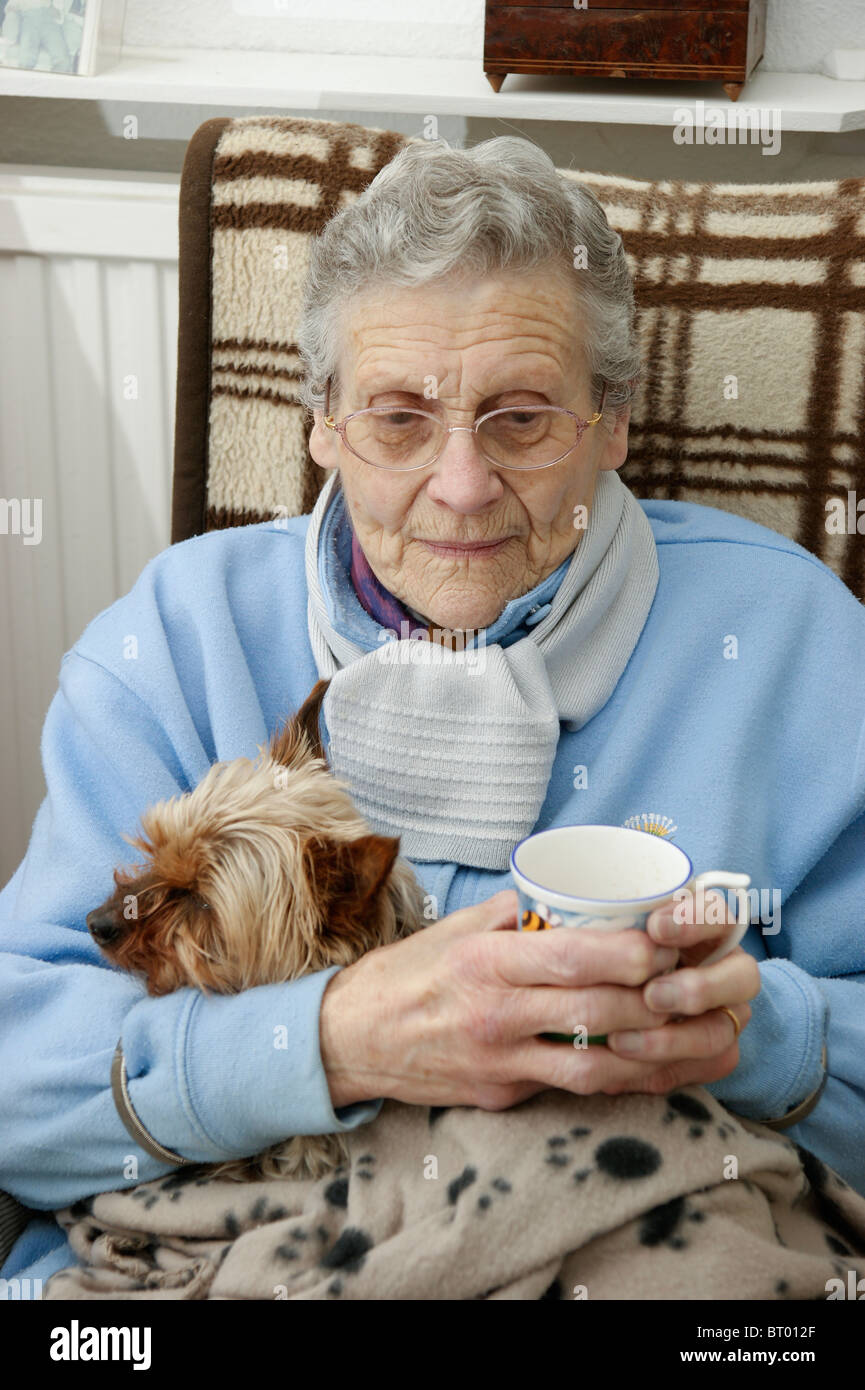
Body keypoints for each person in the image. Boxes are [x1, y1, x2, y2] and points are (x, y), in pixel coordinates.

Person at [1, 137, 863, 1292]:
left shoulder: (795, 642)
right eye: (399, 417)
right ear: (321, 422)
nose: (459, 487)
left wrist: (764, 1035)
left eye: (519, 419)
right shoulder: (175, 636)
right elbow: (17, 1081)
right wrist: (326, 1039)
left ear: (612, 422)